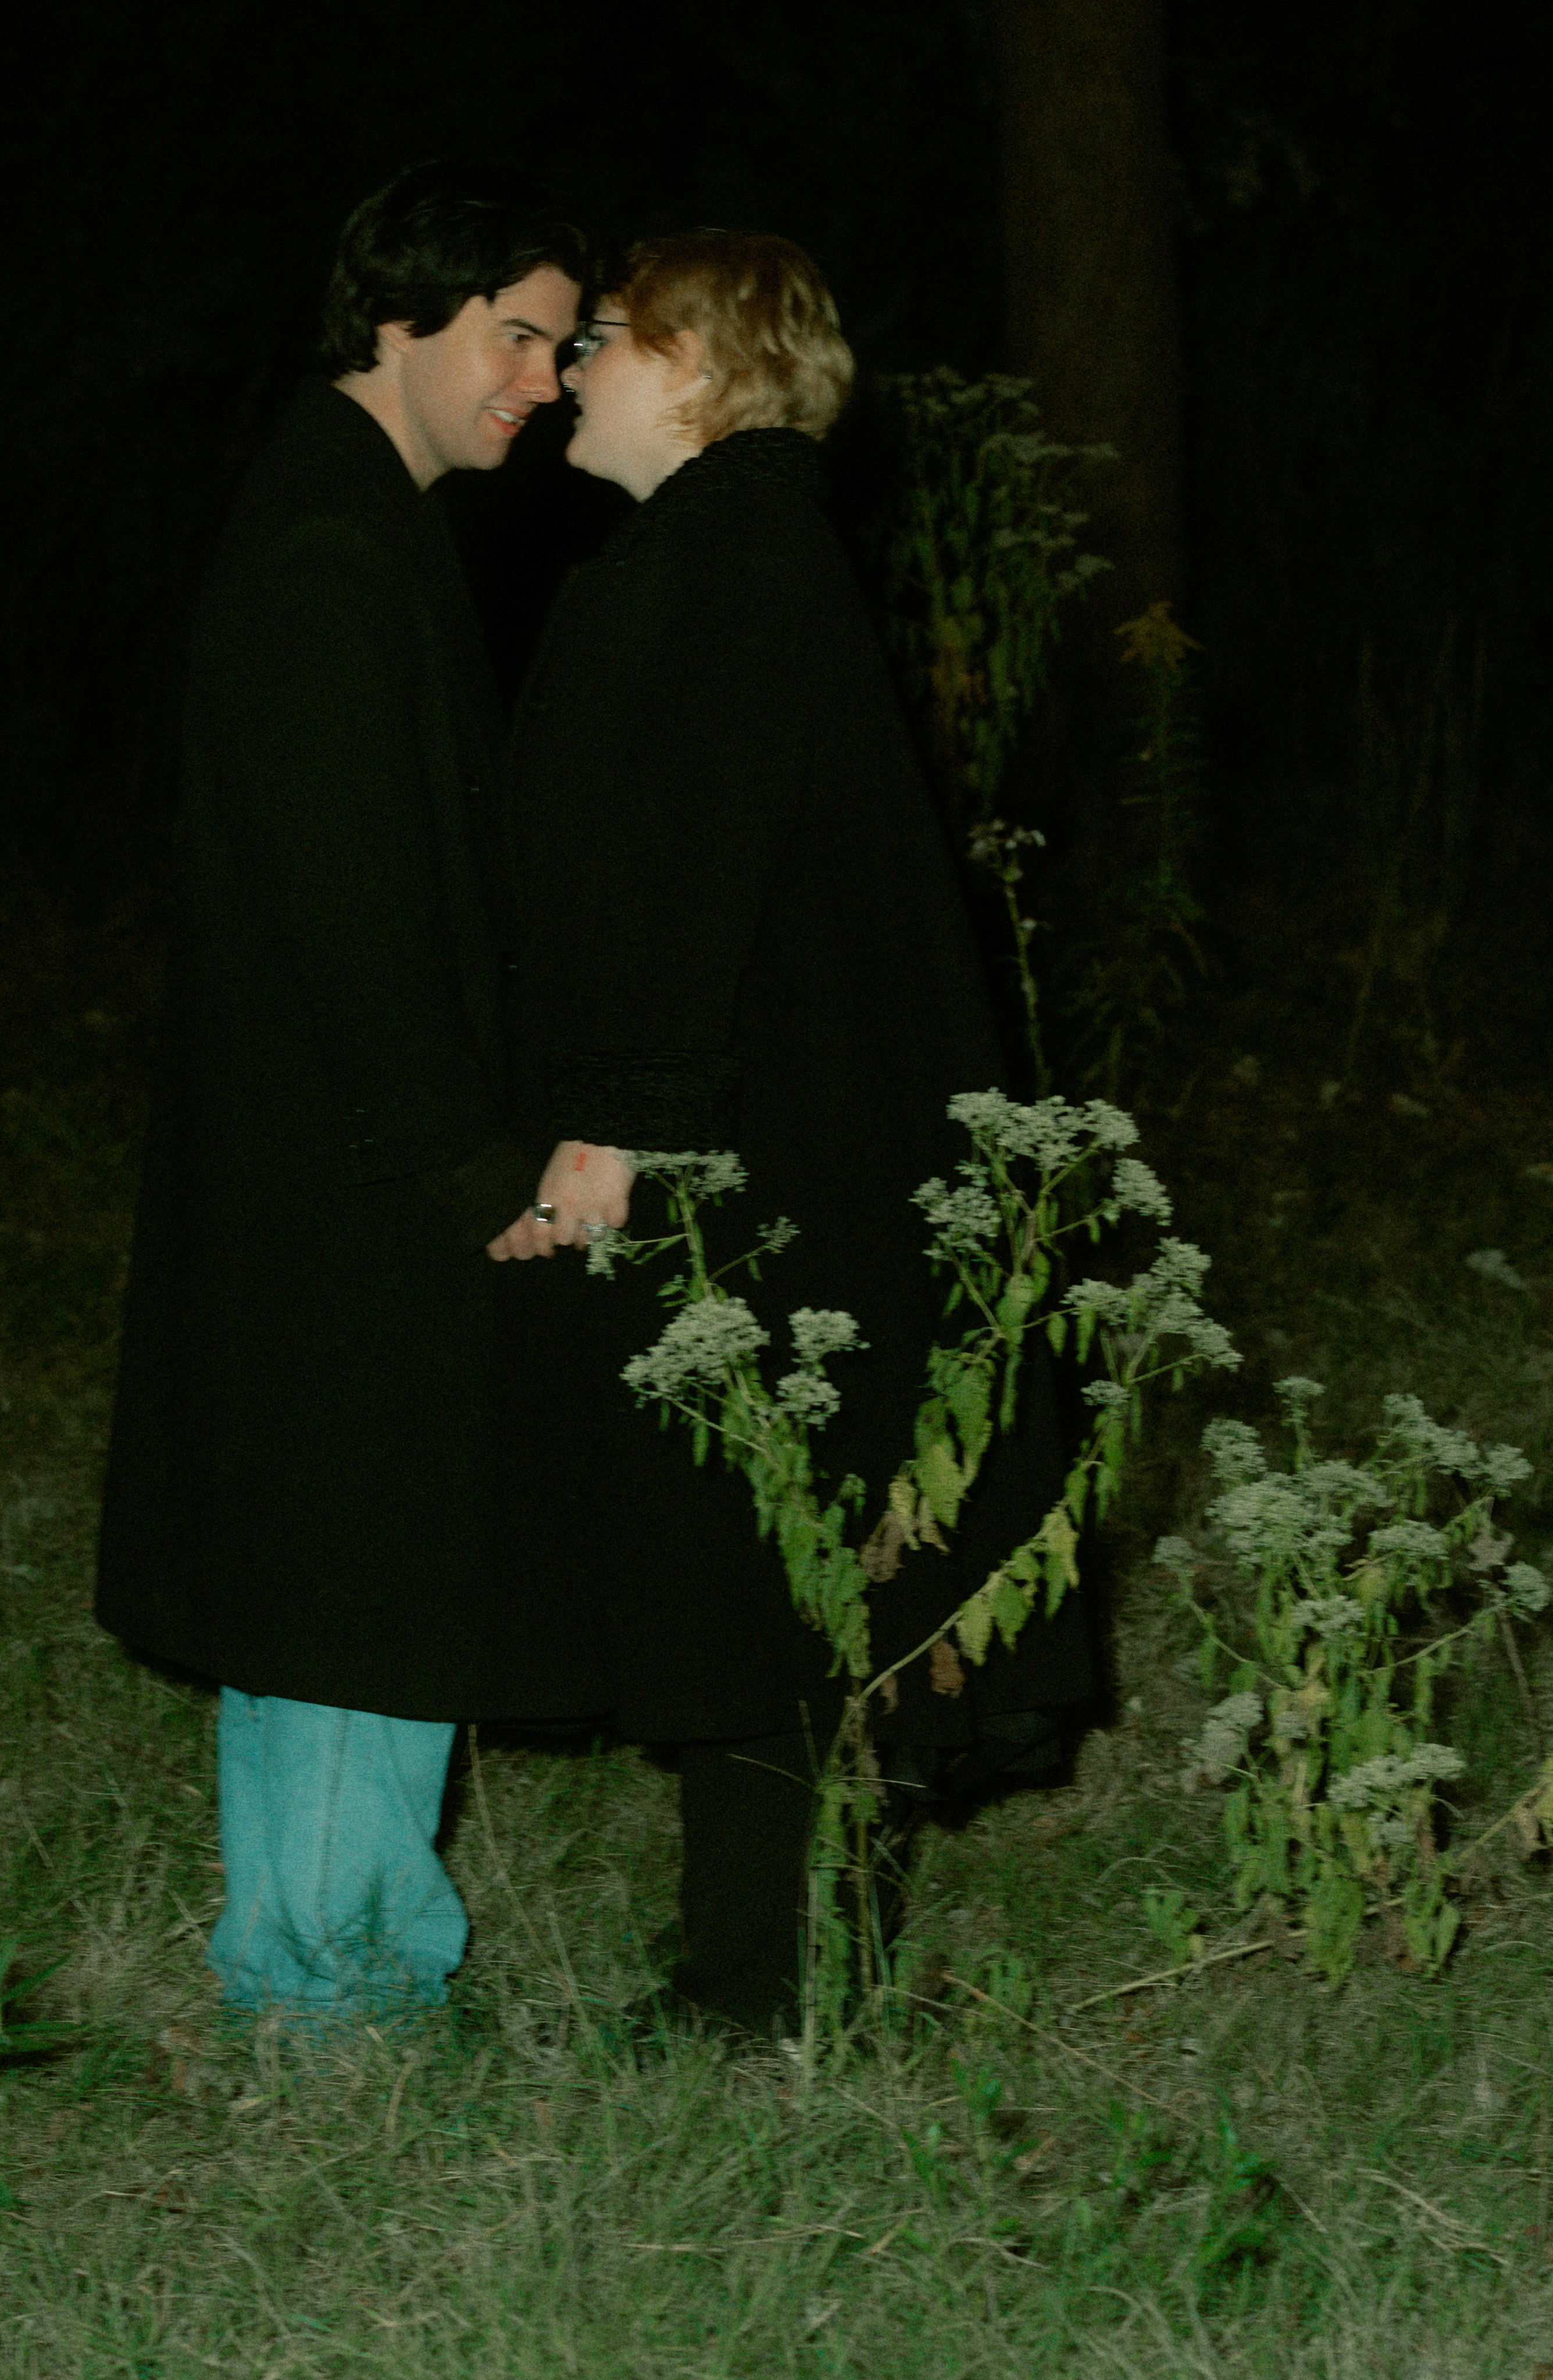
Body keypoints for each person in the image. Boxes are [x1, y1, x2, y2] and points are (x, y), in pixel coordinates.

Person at [501, 230, 1109, 2038]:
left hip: (775, 1153)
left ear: (700, 363)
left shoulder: (739, 556)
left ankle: (758, 1994)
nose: (572, 371)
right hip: (774, 1140)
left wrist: (626, 1125)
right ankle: (763, 1977)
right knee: (770, 1553)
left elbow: (703, 869)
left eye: (602, 337)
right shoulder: (725, 547)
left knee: (779, 1555)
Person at [95, 165, 588, 2024]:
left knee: (371, 1552)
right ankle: (317, 1987)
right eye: (517, 334)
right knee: (332, 1568)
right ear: (404, 315)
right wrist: (468, 1160)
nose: (541, 378)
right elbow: (346, 903)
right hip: (339, 1168)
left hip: (355, 1156)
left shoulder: (365, 518)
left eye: (559, 344)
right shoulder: (325, 544)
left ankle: (360, 1958)